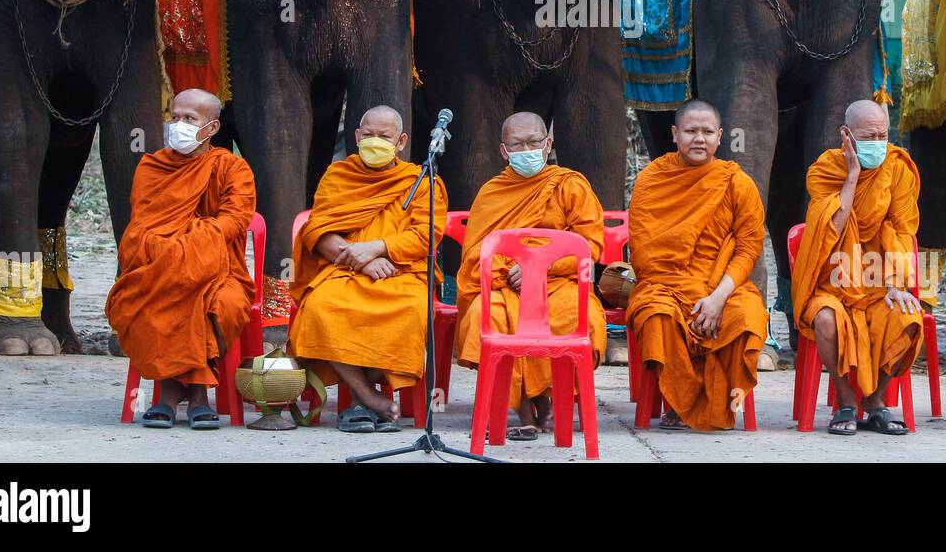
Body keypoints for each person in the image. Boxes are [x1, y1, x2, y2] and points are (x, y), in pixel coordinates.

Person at [105, 90, 255, 430]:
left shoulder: (232, 167)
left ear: (212, 126)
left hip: (220, 270)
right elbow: (140, 227)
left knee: (219, 303)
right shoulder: (152, 165)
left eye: (190, 119)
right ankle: (197, 394)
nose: (179, 125)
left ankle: (171, 396)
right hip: (157, 265)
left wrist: (189, 244)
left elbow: (235, 221)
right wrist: (176, 252)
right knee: (157, 295)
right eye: (176, 117)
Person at [289, 106, 445, 433]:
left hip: (400, 273)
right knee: (319, 307)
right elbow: (317, 232)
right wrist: (361, 258)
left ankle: (362, 402)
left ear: (400, 141)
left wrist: (378, 247)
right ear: (357, 137)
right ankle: (367, 397)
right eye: (369, 135)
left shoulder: (420, 180)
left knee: (410, 310)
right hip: (344, 270)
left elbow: (426, 235)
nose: (375, 142)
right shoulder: (338, 176)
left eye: (384, 137)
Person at [455, 112, 605, 441]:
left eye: (534, 142)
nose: (527, 149)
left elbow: (590, 246)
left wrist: (541, 267)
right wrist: (508, 270)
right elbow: (475, 256)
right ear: (503, 151)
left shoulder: (570, 185)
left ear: (548, 144)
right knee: (486, 314)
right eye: (517, 144)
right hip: (504, 283)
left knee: (578, 317)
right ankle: (520, 408)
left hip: (557, 284)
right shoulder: (492, 192)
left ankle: (548, 398)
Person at [625, 99, 765, 430]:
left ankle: (722, 402)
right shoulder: (653, 179)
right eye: (690, 131)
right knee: (657, 314)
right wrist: (693, 296)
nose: (698, 139)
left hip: (722, 287)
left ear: (719, 137)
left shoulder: (735, 182)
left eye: (706, 132)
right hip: (665, 287)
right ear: (675, 134)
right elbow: (645, 254)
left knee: (747, 315)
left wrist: (717, 298)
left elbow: (749, 246)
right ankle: (678, 402)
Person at [792, 99, 923, 436]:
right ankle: (846, 397)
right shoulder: (824, 171)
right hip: (831, 280)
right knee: (825, 317)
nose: (878, 144)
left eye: (883, 135)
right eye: (869, 137)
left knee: (908, 317)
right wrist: (852, 175)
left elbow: (903, 229)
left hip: (879, 278)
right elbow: (832, 227)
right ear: (846, 135)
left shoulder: (897, 169)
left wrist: (897, 282)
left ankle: (876, 400)